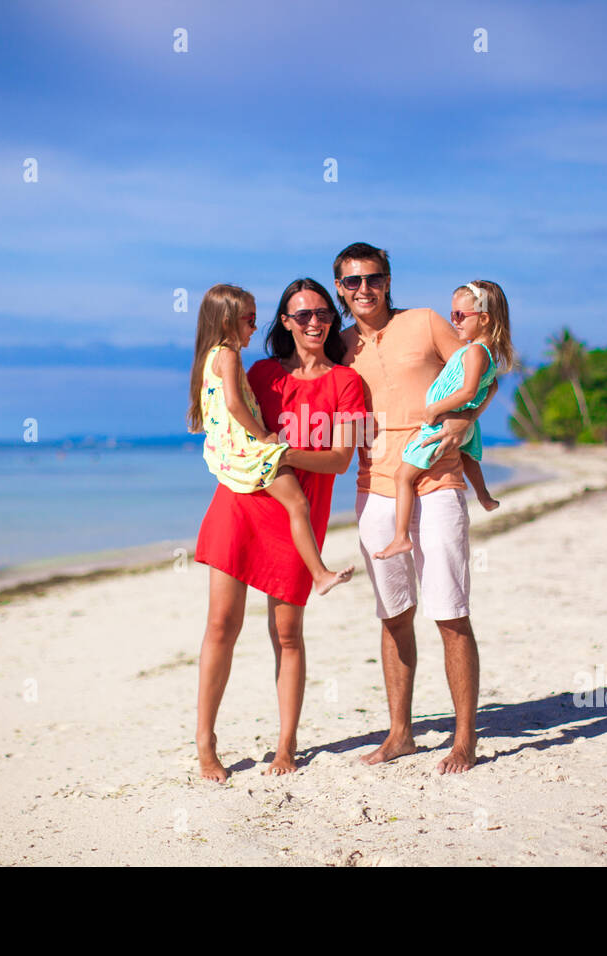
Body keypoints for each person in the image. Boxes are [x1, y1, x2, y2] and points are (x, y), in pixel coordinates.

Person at [194, 279, 367, 782]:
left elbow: (338, 461)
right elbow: (225, 417)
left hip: (298, 516)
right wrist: (259, 452)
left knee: (287, 634)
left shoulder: (348, 382)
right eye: (302, 315)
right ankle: (205, 745)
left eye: (323, 313)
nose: (315, 322)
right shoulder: (261, 372)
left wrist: (279, 451)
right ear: (285, 323)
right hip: (240, 505)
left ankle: (285, 746)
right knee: (222, 625)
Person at [336, 242, 497, 774]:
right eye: (353, 281)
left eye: (374, 278)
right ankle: (400, 734)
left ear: (387, 280)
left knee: (450, 613)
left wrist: (463, 423)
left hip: (440, 482)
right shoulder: (338, 346)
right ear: (340, 288)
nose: (365, 289)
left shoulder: (427, 322)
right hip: (373, 488)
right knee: (393, 616)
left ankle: (464, 739)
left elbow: (483, 369)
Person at [189, 283, 354, 596]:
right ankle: (319, 573)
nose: (253, 327)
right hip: (251, 454)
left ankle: (319, 574)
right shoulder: (233, 357)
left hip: (233, 454)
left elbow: (341, 460)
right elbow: (236, 404)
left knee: (297, 506)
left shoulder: (211, 357)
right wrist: (266, 437)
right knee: (298, 503)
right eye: (249, 320)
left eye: (323, 314)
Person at [374, 280, 513, 560]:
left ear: (484, 318)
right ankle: (484, 496)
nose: (455, 322)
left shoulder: (474, 351)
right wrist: (471, 417)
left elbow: (469, 391)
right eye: (452, 315)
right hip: (460, 422)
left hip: (439, 424)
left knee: (403, 476)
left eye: (461, 316)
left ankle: (400, 537)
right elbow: (492, 388)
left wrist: (435, 409)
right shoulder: (483, 353)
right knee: (467, 458)